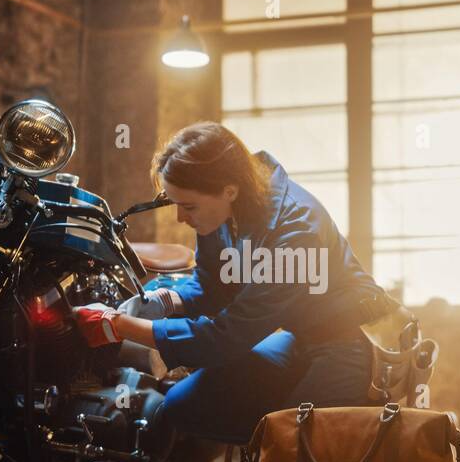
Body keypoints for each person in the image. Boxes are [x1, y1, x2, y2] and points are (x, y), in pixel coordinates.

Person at [69, 121, 396, 445]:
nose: (181, 218)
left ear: (229, 189)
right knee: (184, 406)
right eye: (176, 204)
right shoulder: (227, 210)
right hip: (299, 336)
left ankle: (292, 443)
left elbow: (227, 336)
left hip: (353, 341)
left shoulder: (295, 230)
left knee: (294, 444)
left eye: (189, 206)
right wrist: (167, 299)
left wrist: (119, 326)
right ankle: (273, 440)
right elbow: (211, 285)